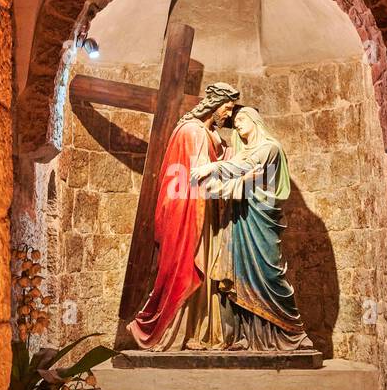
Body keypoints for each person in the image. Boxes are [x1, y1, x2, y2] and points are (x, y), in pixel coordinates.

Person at [128, 82, 239, 350]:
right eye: (227, 107)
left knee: (203, 269)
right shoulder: (193, 131)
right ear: (214, 105)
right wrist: (236, 166)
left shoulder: (203, 131)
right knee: (187, 267)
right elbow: (199, 173)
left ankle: (199, 331)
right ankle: (178, 333)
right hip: (191, 212)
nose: (229, 114)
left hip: (204, 210)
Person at [195, 105, 312, 352]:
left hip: (260, 220)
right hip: (238, 221)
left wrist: (211, 167)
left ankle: (292, 331)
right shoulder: (243, 152)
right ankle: (247, 335)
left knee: (270, 274)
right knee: (238, 276)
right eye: (235, 120)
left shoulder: (269, 148)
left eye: (242, 118)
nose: (237, 123)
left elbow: (241, 169)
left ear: (255, 120)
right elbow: (236, 173)